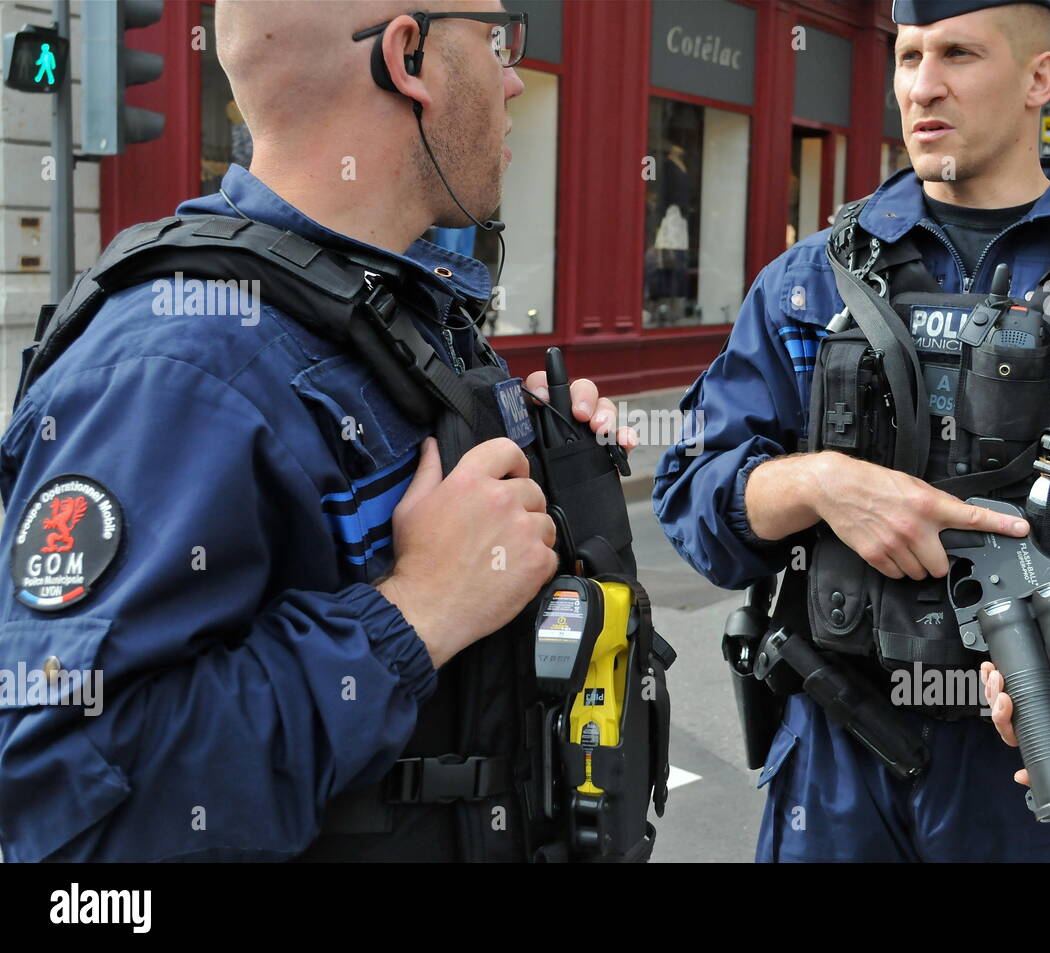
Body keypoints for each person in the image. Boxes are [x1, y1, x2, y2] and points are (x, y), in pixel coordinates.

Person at [653, 0, 1050, 862]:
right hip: (834, 761)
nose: (923, 86)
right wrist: (819, 484)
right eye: (909, 55)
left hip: (1046, 762)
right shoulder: (811, 281)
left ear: (1040, 77)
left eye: (959, 54)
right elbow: (694, 491)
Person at [0, 0, 636, 862]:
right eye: (496, 40)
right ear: (409, 57)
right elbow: (72, 824)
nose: (514, 75)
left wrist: (533, 454)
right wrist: (415, 611)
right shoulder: (174, 365)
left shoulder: (396, 304)